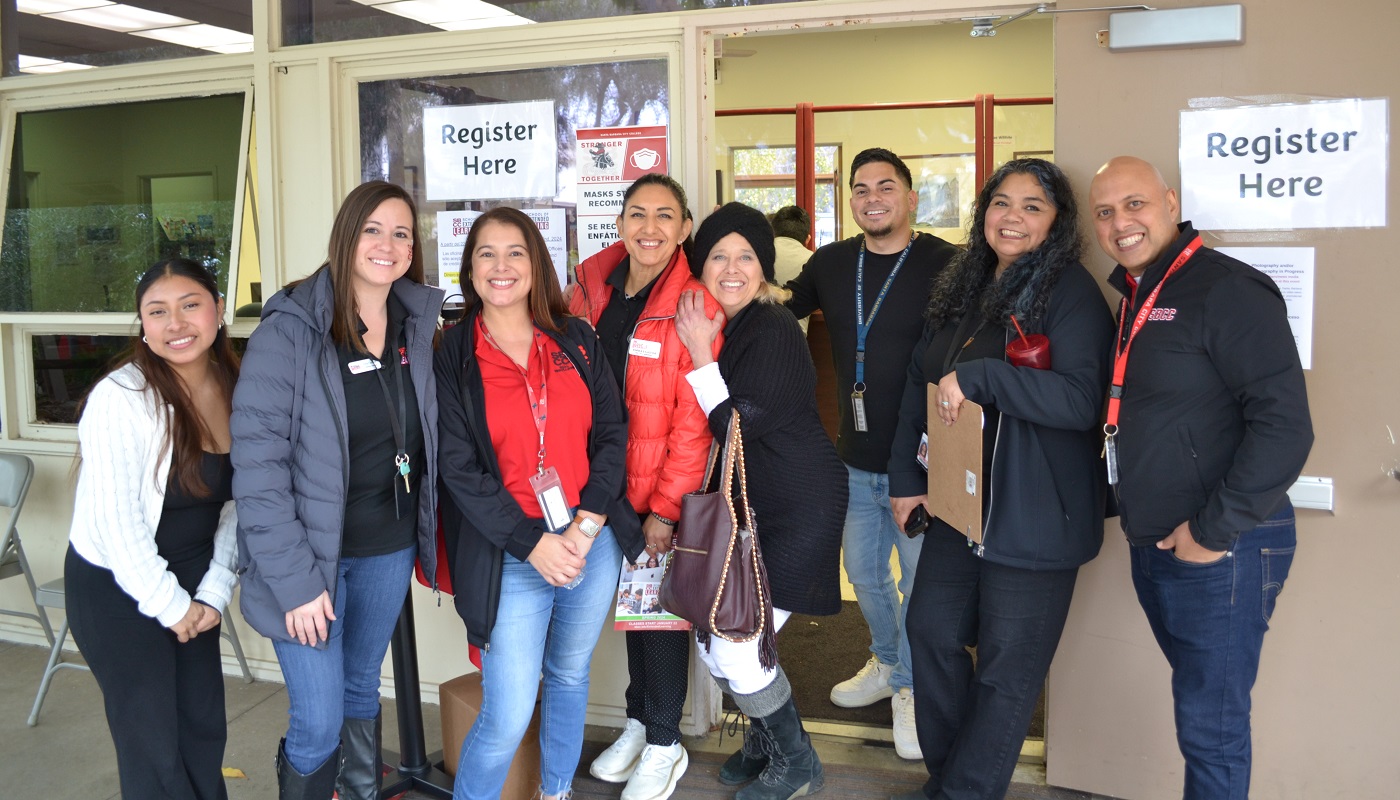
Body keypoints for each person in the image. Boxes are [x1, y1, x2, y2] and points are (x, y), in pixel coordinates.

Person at [886, 159, 1114, 800]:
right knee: (930, 632)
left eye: (1032, 206)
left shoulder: (1070, 292)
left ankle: (962, 791)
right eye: (1001, 202)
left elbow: (1081, 401)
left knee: (1007, 671)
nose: (1012, 217)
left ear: (1057, 222)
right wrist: (906, 477)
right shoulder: (965, 284)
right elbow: (920, 382)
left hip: (1038, 515)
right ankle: (953, 779)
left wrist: (983, 377)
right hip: (960, 506)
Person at [1089, 156, 1312, 799]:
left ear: (1170, 202)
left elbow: (1286, 427)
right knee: (1202, 712)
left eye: (1134, 204)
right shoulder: (1139, 294)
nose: (1121, 223)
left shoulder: (1227, 289)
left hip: (1222, 547)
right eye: (1104, 212)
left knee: (1210, 729)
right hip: (1160, 540)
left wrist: (1212, 533)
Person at [232, 180, 444, 799]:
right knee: (320, 719)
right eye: (373, 230)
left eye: (401, 234)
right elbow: (259, 469)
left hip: (386, 548)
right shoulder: (292, 330)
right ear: (346, 236)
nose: (387, 245)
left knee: (358, 692)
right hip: (306, 562)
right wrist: (296, 584)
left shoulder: (415, 325)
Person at [436, 206, 643, 800]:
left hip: (589, 542)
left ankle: (556, 791)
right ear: (469, 269)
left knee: (570, 676)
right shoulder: (454, 353)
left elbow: (612, 432)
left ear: (536, 264)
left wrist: (588, 522)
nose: (501, 266)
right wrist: (533, 545)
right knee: (506, 714)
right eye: (486, 253)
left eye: (515, 253)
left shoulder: (574, 337)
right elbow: (459, 469)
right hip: (513, 552)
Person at [784, 147, 959, 759]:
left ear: (911, 198)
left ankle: (910, 684)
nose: (872, 198)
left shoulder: (947, 264)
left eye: (886, 187)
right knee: (862, 575)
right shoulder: (831, 263)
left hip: (922, 461)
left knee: (918, 582)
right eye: (860, 189)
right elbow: (780, 305)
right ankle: (887, 661)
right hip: (854, 457)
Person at [676, 202, 847, 800]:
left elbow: (737, 428)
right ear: (701, 267)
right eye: (718, 256)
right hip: (759, 506)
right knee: (721, 645)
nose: (732, 268)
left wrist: (701, 356)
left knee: (735, 645)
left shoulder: (769, 327)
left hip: (799, 505)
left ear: (765, 268)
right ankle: (766, 740)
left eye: (746, 256)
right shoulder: (738, 323)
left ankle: (797, 763)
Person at [569, 174, 721, 800]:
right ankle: (639, 721)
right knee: (634, 613)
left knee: (656, 617)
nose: (649, 228)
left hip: (652, 494)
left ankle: (665, 742)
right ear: (620, 222)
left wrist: (665, 508)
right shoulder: (591, 286)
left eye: (665, 215)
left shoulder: (694, 302)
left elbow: (695, 421)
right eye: (637, 214)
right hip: (596, 485)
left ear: (685, 227)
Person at [64, 258, 239, 800]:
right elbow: (118, 524)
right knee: (153, 746)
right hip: (116, 588)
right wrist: (170, 605)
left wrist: (212, 592)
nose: (175, 324)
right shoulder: (121, 397)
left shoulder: (240, 386)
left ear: (218, 309)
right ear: (142, 324)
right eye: (157, 312)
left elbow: (242, 503)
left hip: (194, 583)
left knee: (202, 730)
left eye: (190, 305)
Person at [769, 205, 812, 334]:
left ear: (773, 233)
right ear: (808, 239)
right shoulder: (813, 259)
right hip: (796, 336)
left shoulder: (756, 255)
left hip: (753, 332)